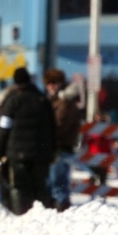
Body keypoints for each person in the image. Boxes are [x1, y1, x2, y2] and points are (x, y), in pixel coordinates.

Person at [0, 67, 56, 215]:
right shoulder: (43, 100)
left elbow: (3, 129)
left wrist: (0, 151)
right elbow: (52, 128)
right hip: (41, 154)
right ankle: (42, 217)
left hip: (17, 154)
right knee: (39, 186)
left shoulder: (13, 102)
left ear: (16, 83)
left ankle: (21, 216)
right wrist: (51, 151)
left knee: (20, 187)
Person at [44, 68, 82, 213]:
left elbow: (59, 125)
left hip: (61, 147)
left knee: (58, 184)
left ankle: (63, 212)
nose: (51, 86)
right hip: (54, 147)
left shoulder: (65, 102)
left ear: (61, 83)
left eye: (55, 82)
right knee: (51, 183)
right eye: (49, 83)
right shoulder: (53, 101)